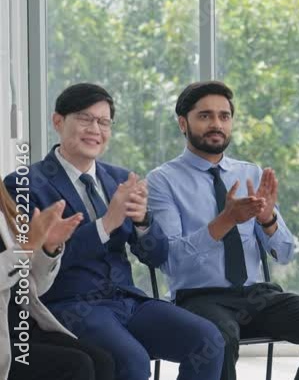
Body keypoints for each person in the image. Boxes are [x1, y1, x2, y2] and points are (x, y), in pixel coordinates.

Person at [2, 83, 224, 380]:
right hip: (71, 305)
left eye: (104, 122)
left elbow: (156, 255)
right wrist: (107, 223)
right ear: (58, 121)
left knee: (208, 339)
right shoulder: (25, 184)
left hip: (127, 300)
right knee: (132, 361)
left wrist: (143, 220)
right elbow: (32, 269)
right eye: (85, 118)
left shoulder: (118, 178)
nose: (95, 128)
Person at [146, 80, 299, 380]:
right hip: (199, 298)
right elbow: (172, 260)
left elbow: (285, 253)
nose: (216, 124)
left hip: (256, 297)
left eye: (224, 116)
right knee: (220, 337)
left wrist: (267, 219)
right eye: (205, 116)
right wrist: (225, 220)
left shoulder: (249, 173)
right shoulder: (162, 181)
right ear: (182, 123)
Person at [1, 173, 115, 380]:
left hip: (22, 327)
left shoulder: (5, 212)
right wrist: (26, 248)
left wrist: (48, 248)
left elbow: (36, 286)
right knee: (76, 366)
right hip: (6, 340)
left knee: (102, 361)